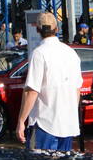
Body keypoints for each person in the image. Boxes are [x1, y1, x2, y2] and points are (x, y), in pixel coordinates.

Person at [13, 12, 79, 151]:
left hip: (45, 122)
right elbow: (76, 90)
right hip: (67, 123)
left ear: (37, 29)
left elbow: (32, 91)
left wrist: (21, 120)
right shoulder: (71, 53)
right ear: (57, 29)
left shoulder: (39, 53)